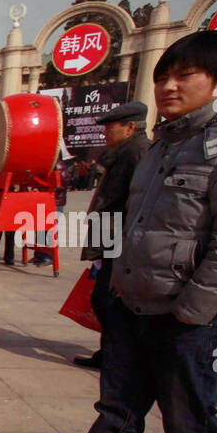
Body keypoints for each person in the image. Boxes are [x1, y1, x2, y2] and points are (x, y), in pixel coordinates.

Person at [13, 30, 217, 433]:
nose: (169, 86)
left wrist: (192, 312)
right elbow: (135, 223)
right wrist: (112, 281)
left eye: (184, 75)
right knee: (118, 408)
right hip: (135, 302)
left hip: (198, 314)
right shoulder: (160, 147)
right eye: (163, 76)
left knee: (188, 414)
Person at [72, 101, 151, 369]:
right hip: (108, 229)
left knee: (108, 299)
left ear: (129, 128)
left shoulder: (138, 153)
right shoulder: (123, 152)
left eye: (110, 127)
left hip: (119, 233)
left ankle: (117, 355)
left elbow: (136, 201)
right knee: (103, 296)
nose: (105, 133)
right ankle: (111, 352)